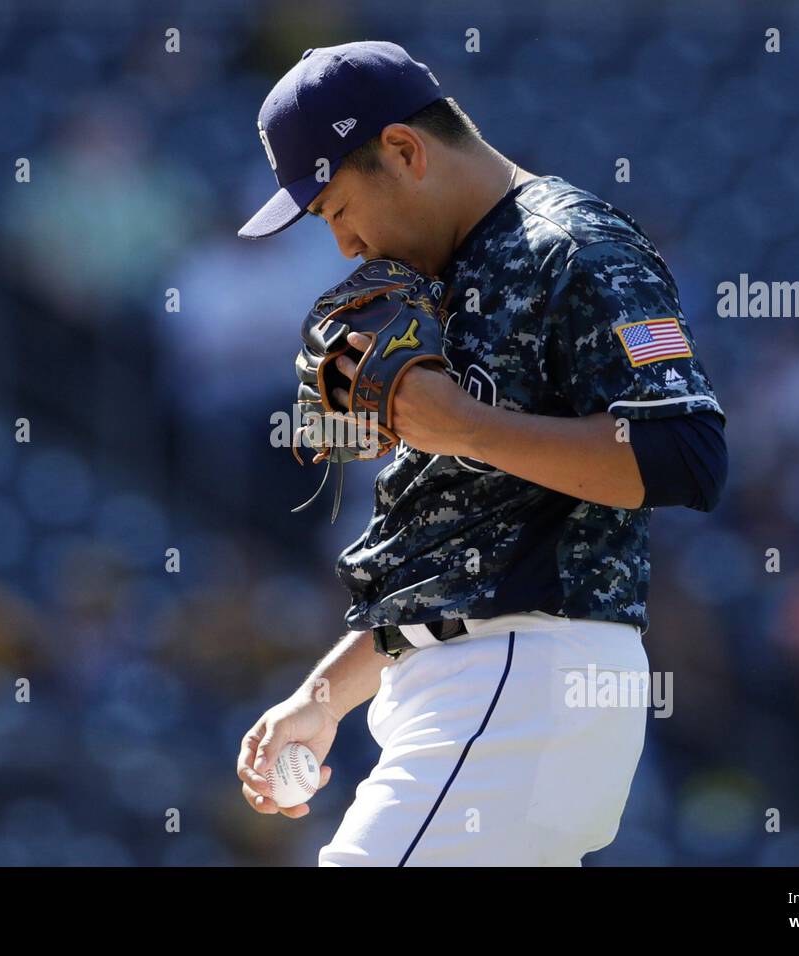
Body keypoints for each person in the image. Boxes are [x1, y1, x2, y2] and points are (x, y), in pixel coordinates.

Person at [235, 41, 727, 866]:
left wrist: (460, 423)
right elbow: (466, 545)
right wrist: (324, 698)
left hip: (523, 679)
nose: (346, 245)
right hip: (479, 687)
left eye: (335, 208)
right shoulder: (442, 276)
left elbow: (688, 455)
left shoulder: (574, 243)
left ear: (403, 150)